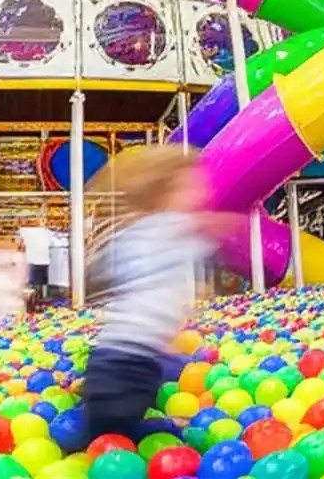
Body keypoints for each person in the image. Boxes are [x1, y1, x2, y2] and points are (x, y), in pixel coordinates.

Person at [82, 145, 233, 444]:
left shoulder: (140, 230)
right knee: (117, 438)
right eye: (193, 184)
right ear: (167, 190)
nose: (203, 191)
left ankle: (98, 411)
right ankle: (164, 428)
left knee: (115, 425)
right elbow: (204, 227)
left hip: (128, 359)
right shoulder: (166, 226)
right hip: (125, 365)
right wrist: (226, 223)